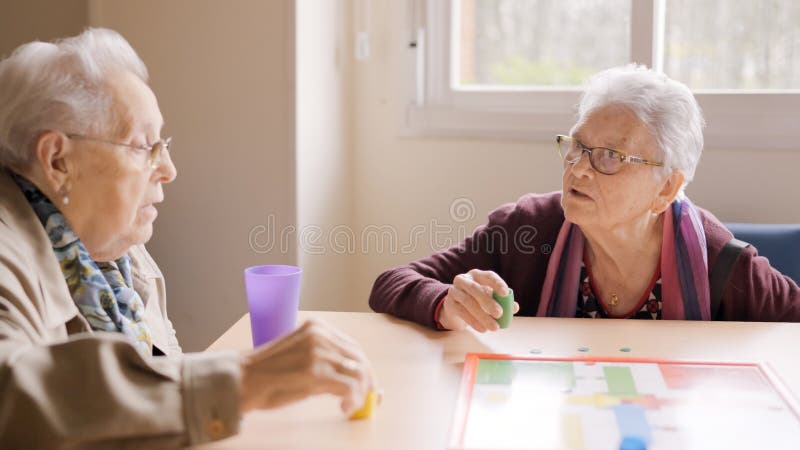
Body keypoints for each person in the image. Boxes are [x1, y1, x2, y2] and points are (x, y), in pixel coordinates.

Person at [0, 28, 376, 449]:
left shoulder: (117, 257)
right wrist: (244, 378)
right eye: (144, 146)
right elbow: (13, 399)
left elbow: (163, 368)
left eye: (164, 143)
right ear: (57, 160)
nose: (169, 169)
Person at [370, 65, 800, 331]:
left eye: (609, 156)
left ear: (666, 188)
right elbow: (390, 283)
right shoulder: (527, 229)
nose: (577, 169)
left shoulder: (722, 262)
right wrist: (446, 303)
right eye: (577, 146)